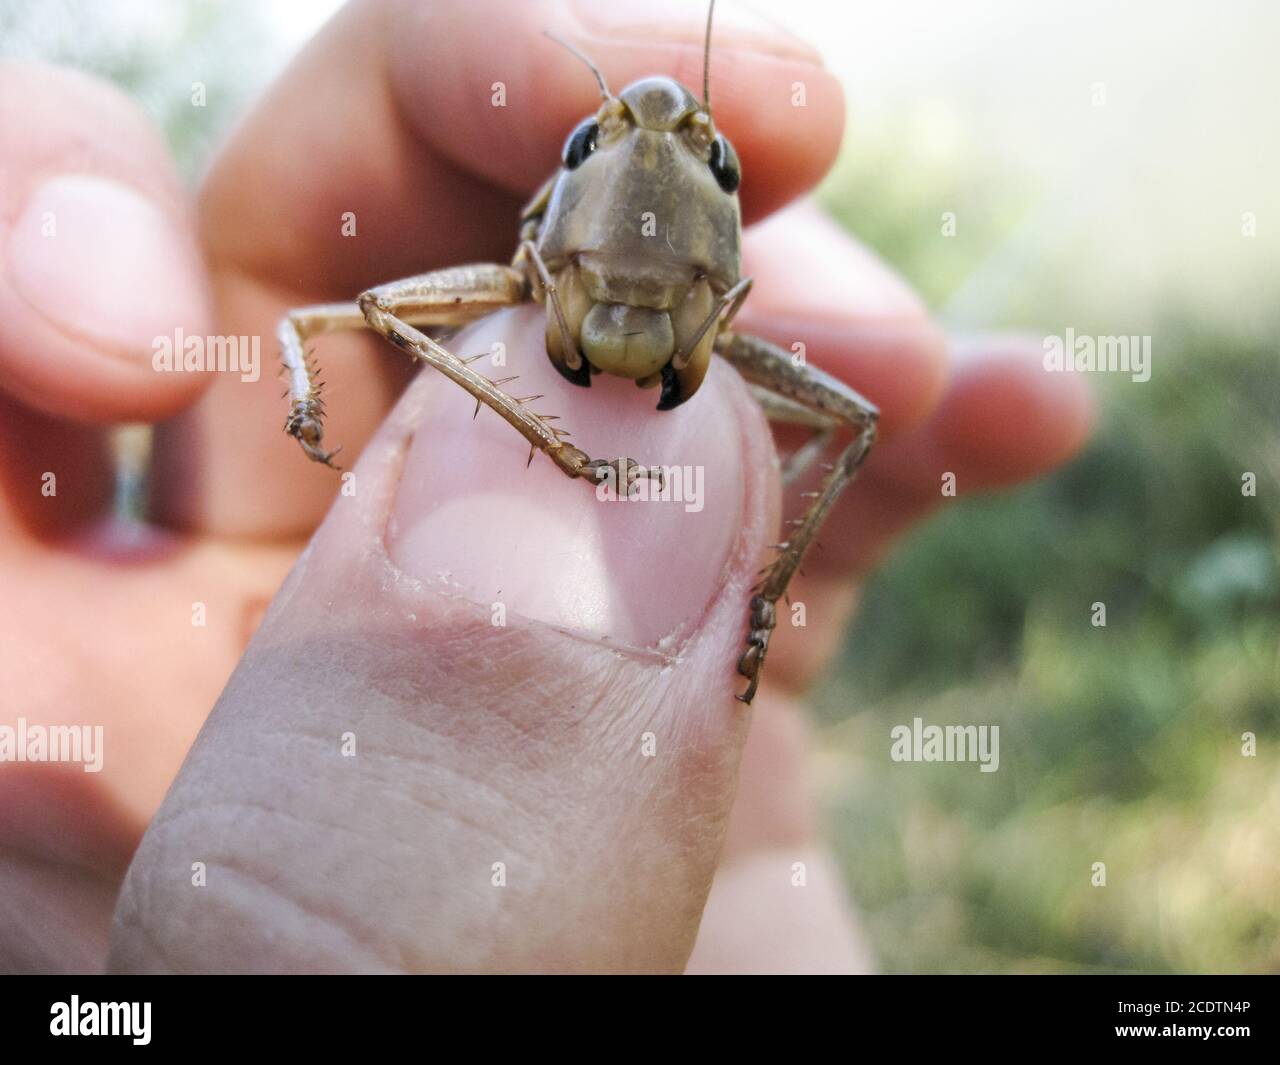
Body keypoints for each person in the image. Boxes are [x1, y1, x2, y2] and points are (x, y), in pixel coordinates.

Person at [0, 0, 1091, 973]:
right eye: (598, 142)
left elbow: (848, 429)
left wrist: (755, 599)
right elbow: (341, 313)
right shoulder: (517, 252)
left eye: (708, 165)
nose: (652, 162)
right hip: (519, 310)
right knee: (347, 313)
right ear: (560, 188)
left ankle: (737, 607)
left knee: (851, 411)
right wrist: (331, 410)